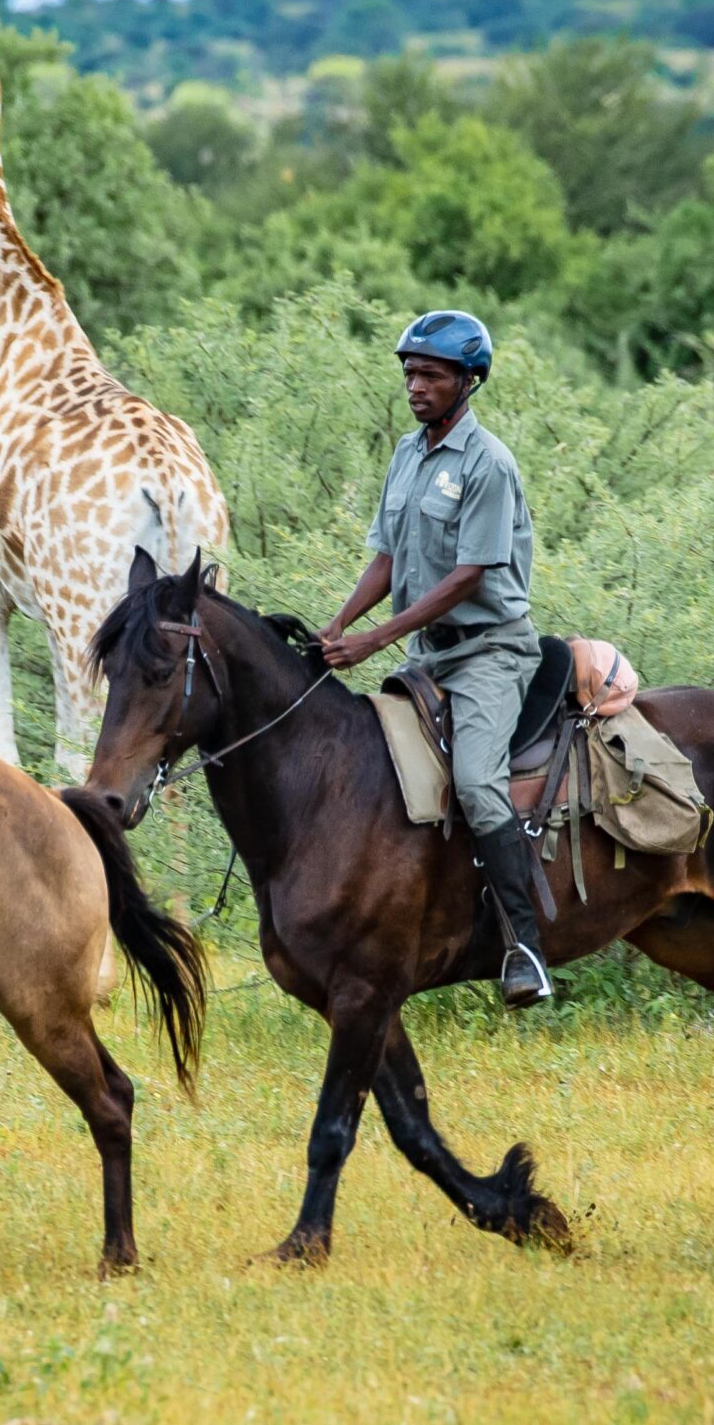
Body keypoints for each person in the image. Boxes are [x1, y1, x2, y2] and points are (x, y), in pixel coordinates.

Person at [317, 312, 551, 1003]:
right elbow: (387, 558)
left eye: (431, 375)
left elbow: (469, 576)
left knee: (478, 783)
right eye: (410, 373)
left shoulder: (489, 465)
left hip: (490, 654)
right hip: (428, 656)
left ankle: (525, 949)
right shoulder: (407, 454)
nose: (415, 386)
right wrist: (336, 629)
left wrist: (375, 641)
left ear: (467, 382)